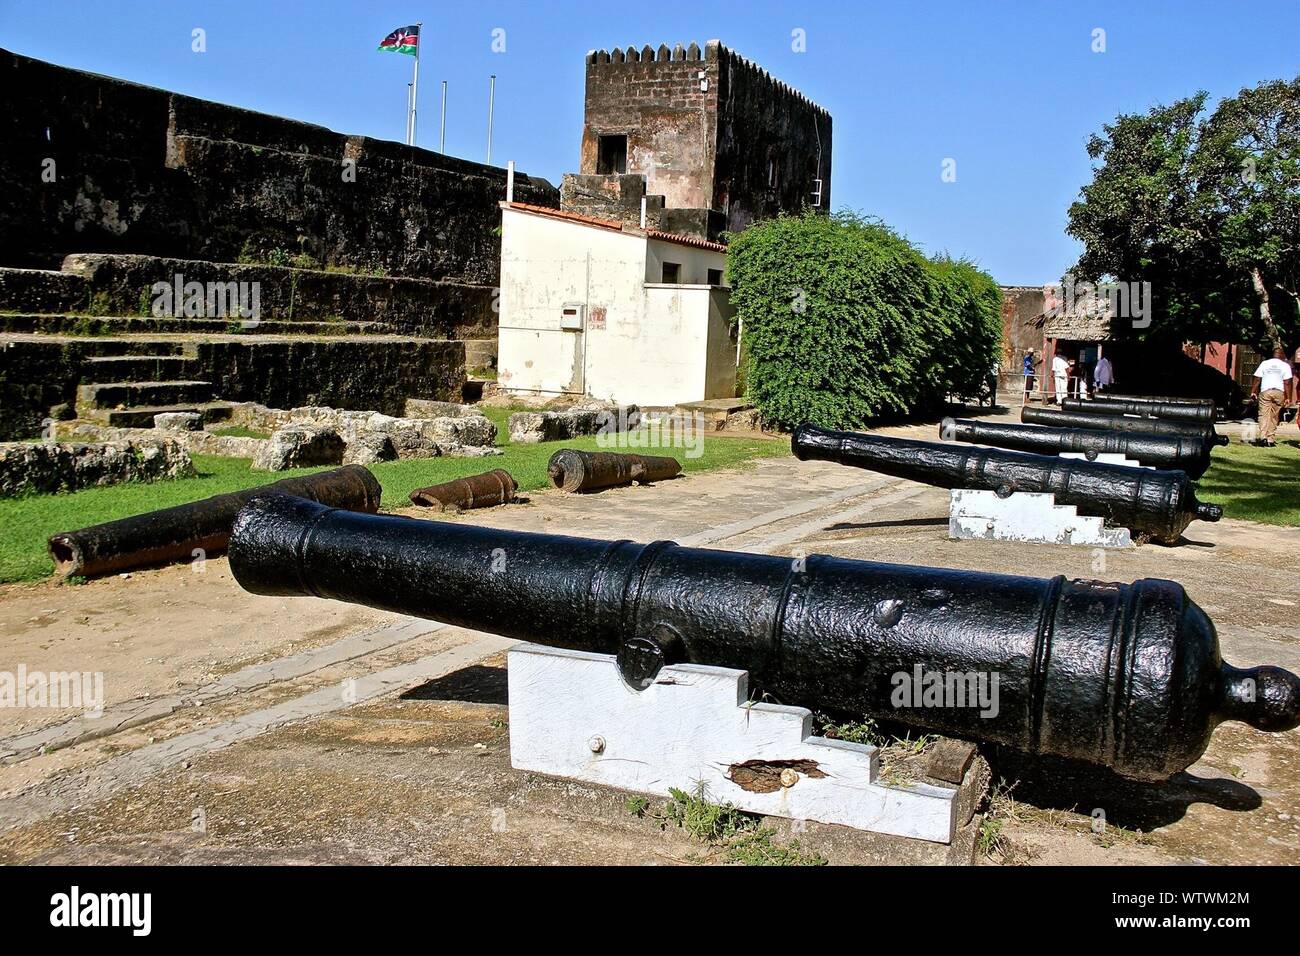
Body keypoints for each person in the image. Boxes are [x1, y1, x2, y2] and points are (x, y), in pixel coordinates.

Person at [1249, 346, 1295, 447]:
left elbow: (1257, 378)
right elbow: (1287, 383)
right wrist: (1288, 398)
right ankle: (1270, 438)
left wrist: (1253, 392)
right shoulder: (1285, 365)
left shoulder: (1265, 363)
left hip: (1266, 391)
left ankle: (1263, 437)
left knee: (1264, 414)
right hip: (1279, 392)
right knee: (1275, 416)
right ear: (1282, 355)